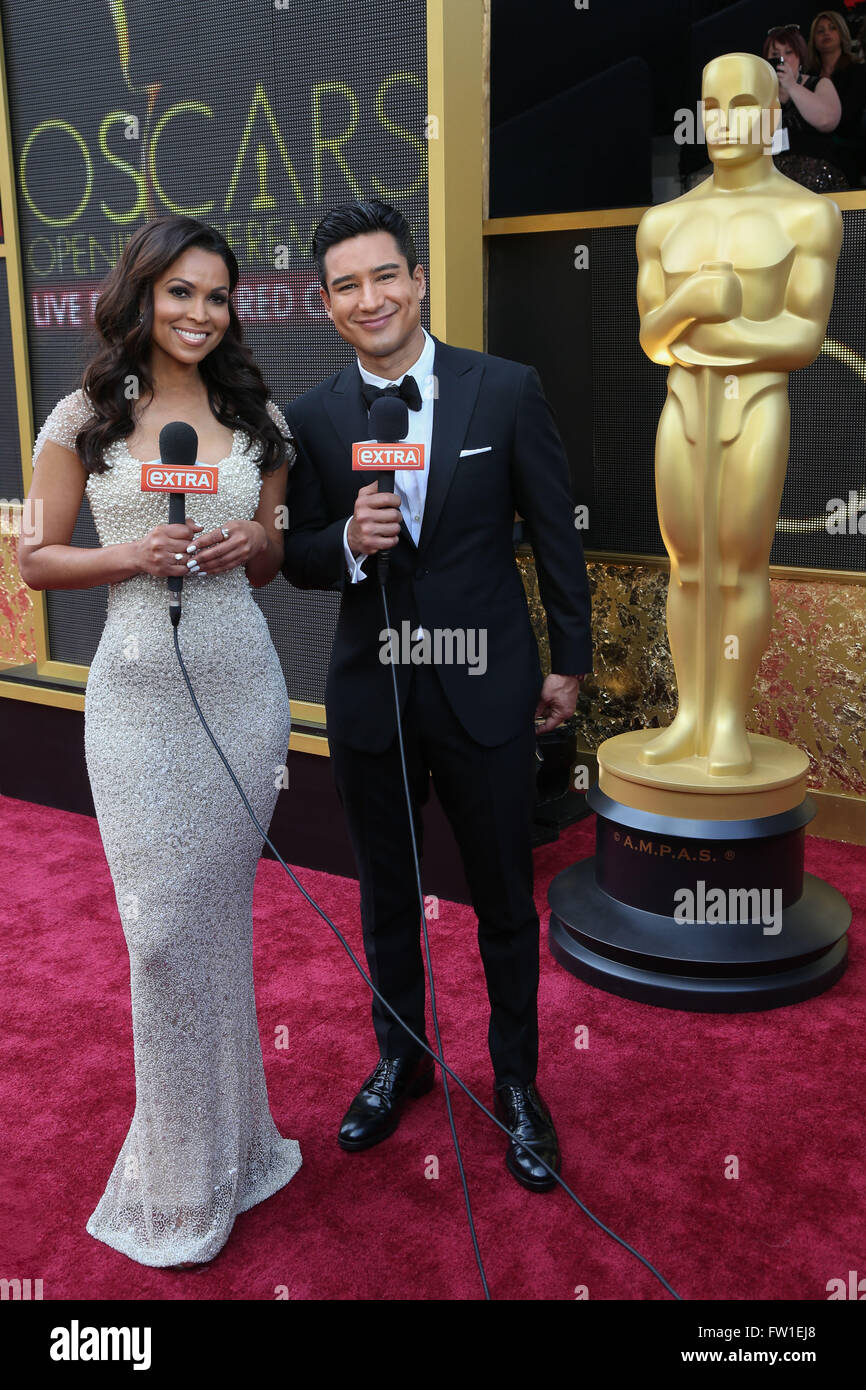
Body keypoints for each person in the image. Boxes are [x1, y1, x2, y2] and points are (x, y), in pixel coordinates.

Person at [282, 199, 592, 1192]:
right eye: (345, 286)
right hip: (372, 695)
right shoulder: (316, 416)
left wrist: (567, 657)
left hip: (485, 688)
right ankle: (401, 1058)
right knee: (383, 899)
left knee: (504, 899)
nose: (368, 298)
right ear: (327, 304)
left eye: (383, 276)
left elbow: (554, 530)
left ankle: (515, 1085)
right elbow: (291, 553)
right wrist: (342, 543)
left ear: (415, 281)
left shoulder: (501, 390)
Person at [18, 215, 301, 1268]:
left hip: (239, 688)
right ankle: (181, 1175)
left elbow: (271, 555)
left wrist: (252, 539)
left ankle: (235, 1149)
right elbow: (38, 562)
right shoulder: (83, 416)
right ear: (140, 295)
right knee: (158, 935)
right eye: (178, 291)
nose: (197, 312)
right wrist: (133, 555)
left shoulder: (253, 414)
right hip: (133, 701)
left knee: (215, 922)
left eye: (215, 295)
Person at [763, 24, 845, 189]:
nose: (783, 59)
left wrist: (791, 85)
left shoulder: (819, 84)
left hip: (816, 176)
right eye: (775, 54)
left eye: (789, 53)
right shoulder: (760, 94)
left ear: (800, 57)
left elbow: (827, 120)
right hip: (773, 180)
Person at [807, 9, 866, 185]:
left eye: (832, 28)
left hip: (848, 151)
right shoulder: (808, 77)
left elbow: (849, 117)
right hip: (814, 153)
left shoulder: (858, 71)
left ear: (841, 33)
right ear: (814, 40)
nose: (826, 33)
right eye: (820, 30)